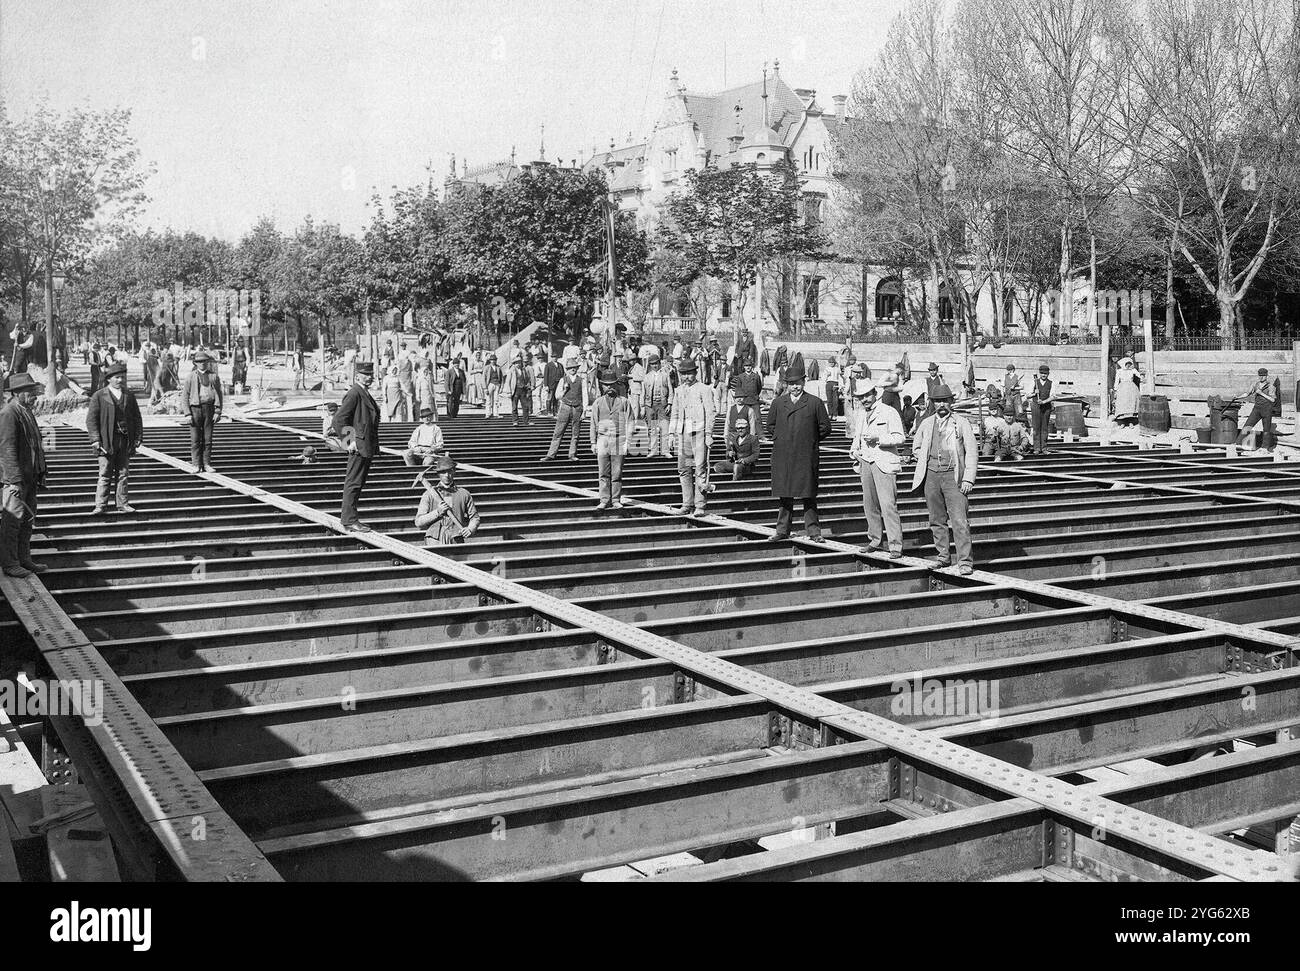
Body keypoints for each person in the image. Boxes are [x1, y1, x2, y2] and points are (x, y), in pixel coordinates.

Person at [910, 383, 978, 575]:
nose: (941, 405)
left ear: (951, 402)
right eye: (937, 401)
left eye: (945, 401)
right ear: (933, 403)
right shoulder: (926, 423)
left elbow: (972, 452)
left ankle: (965, 561)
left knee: (959, 520)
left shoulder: (961, 422)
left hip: (953, 476)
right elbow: (917, 447)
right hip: (931, 476)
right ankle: (943, 556)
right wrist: (923, 458)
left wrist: (968, 479)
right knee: (936, 519)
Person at [766, 353, 832, 540]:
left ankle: (813, 532)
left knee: (808, 494)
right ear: (786, 384)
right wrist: (783, 439)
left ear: (804, 383)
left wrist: (810, 440)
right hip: (784, 455)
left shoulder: (814, 403)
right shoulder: (778, 403)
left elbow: (825, 427)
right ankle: (782, 531)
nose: (795, 387)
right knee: (785, 495)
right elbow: (770, 426)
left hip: (806, 455)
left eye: (798, 383)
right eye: (791, 383)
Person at [851, 380, 905, 558]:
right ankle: (875, 540)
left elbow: (900, 437)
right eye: (861, 397)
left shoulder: (889, 412)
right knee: (869, 505)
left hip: (883, 462)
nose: (865, 399)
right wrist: (854, 450)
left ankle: (895, 546)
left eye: (867, 395)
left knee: (888, 505)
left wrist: (879, 438)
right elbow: (856, 437)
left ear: (875, 393)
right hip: (866, 462)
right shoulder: (860, 414)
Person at [0, 372, 47, 577]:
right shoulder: (9, 413)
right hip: (17, 480)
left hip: (30, 476)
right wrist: (14, 481)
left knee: (27, 519)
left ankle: (24, 559)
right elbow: (6, 450)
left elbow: (35, 446)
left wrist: (40, 473)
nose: (35, 395)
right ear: (17, 393)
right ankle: (10, 563)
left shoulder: (25, 410)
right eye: (30, 391)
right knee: (12, 521)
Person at [86, 360, 143, 515]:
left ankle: (123, 504)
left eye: (122, 377)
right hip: (106, 442)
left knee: (123, 474)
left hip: (124, 441)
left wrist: (138, 437)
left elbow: (137, 418)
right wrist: (95, 440)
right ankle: (100, 505)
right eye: (117, 377)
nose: (120, 380)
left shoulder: (129, 396)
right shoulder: (99, 396)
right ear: (109, 379)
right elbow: (91, 420)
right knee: (104, 474)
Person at [329, 361, 379, 532]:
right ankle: (349, 520)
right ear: (357, 376)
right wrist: (348, 441)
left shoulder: (363, 392)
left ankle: (351, 518)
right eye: (365, 375)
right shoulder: (354, 393)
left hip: (366, 445)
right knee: (353, 483)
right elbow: (338, 420)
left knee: (357, 482)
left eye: (371, 375)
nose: (369, 378)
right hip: (358, 446)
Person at [668, 356, 716, 515]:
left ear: (695, 372)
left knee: (700, 469)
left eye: (689, 373)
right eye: (683, 374)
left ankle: (700, 505)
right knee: (684, 468)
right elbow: (674, 413)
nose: (686, 377)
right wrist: (671, 434)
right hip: (684, 436)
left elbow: (710, 412)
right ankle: (686, 503)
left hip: (699, 434)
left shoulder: (704, 389)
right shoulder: (679, 390)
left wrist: (709, 433)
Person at [414, 454, 480, 546]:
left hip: (456, 539)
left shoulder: (464, 494)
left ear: (454, 471)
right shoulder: (428, 494)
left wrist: (470, 529)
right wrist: (437, 512)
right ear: (438, 473)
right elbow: (418, 522)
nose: (447, 475)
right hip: (434, 540)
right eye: (443, 472)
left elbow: (475, 518)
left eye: (450, 471)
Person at [591, 368, 632, 508]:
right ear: (602, 385)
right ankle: (604, 499)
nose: (609, 387)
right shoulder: (598, 402)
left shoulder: (624, 402)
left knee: (617, 472)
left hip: (619, 439)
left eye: (612, 384)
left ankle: (615, 499)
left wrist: (628, 441)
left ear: (616, 384)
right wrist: (593, 442)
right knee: (603, 472)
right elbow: (593, 423)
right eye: (606, 384)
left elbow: (630, 422)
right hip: (602, 440)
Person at [541, 359, 590, 461]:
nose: (572, 369)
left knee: (575, 433)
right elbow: (557, 396)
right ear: (567, 369)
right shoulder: (563, 380)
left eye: (574, 367)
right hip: (565, 407)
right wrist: (564, 390)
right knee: (558, 432)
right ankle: (551, 454)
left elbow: (585, 395)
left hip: (577, 408)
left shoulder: (582, 380)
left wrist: (584, 411)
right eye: (570, 368)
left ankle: (572, 454)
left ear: (577, 368)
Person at [182, 350, 223, 472]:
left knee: (208, 439)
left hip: (209, 409)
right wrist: (187, 413)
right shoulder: (190, 377)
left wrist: (218, 411)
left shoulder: (213, 376)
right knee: (195, 439)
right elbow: (185, 396)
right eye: (199, 362)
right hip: (195, 410)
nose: (202, 364)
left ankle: (206, 464)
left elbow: (218, 395)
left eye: (204, 361)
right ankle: (196, 464)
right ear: (195, 363)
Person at [1237, 368, 1281, 451]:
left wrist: (1261, 393)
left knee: (1266, 429)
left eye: (1263, 376)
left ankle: (1265, 448)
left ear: (1267, 376)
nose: (1261, 377)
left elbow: (1273, 400)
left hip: (1267, 410)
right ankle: (1238, 444)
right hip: (1257, 409)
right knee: (1247, 425)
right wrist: (1238, 397)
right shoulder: (1255, 384)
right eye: (1260, 375)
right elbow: (1247, 393)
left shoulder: (1271, 387)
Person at [644, 353, 674, 458]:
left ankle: (665, 450)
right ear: (650, 365)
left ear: (659, 363)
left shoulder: (665, 375)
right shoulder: (647, 377)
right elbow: (643, 392)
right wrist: (643, 407)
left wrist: (669, 404)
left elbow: (670, 390)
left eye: (656, 363)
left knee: (665, 428)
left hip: (663, 405)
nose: (655, 366)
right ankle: (653, 450)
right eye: (652, 364)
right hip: (650, 405)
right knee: (652, 428)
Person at [713, 415, 759, 481]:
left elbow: (756, 455)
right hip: (734, 462)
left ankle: (735, 482)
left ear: (747, 428)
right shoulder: (733, 438)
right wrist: (729, 454)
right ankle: (727, 481)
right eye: (738, 428)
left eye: (742, 428)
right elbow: (727, 452)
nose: (740, 430)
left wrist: (745, 460)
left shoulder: (753, 439)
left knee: (737, 467)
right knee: (718, 466)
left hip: (747, 465)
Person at [1030, 364, 1054, 453]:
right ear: (1039, 373)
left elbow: (1053, 396)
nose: (1043, 375)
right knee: (1036, 428)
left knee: (1044, 428)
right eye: (1042, 373)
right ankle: (1036, 448)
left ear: (1048, 374)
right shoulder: (1034, 382)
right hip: (1036, 407)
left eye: (1046, 373)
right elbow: (1028, 395)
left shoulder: (1051, 383)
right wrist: (1034, 393)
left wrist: (1044, 402)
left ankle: (1044, 448)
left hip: (1046, 407)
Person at [505, 351, 533, 425]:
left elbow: (526, 379)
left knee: (525, 406)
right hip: (515, 390)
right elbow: (508, 381)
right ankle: (515, 421)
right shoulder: (511, 370)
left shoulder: (523, 370)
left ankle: (526, 421)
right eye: (517, 362)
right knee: (514, 407)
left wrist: (528, 386)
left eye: (519, 362)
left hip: (523, 390)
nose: (518, 364)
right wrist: (509, 392)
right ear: (514, 363)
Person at [1113, 357, 1142, 426]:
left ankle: (1130, 422)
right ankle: (1122, 422)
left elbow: (1139, 375)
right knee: (1123, 405)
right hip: (1122, 389)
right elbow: (1116, 381)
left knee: (1131, 404)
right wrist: (1115, 390)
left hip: (1131, 388)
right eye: (1127, 364)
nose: (1128, 365)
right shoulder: (1119, 371)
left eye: (1129, 364)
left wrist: (1142, 376)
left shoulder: (1132, 370)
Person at [543, 352, 564, 417]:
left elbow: (563, 374)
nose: (554, 358)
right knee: (550, 398)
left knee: (556, 398)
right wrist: (546, 385)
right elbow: (546, 376)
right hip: (551, 384)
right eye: (553, 357)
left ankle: (555, 412)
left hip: (558, 384)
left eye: (556, 357)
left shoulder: (560, 365)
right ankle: (549, 411)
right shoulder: (548, 365)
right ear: (551, 358)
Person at [483, 353, 503, 419]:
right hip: (490, 384)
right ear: (490, 360)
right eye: (492, 360)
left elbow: (502, 378)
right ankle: (488, 413)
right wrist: (485, 388)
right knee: (488, 400)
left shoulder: (498, 367)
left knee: (496, 400)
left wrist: (501, 386)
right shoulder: (486, 368)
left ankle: (496, 413)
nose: (493, 361)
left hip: (497, 384)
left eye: (494, 360)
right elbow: (483, 378)